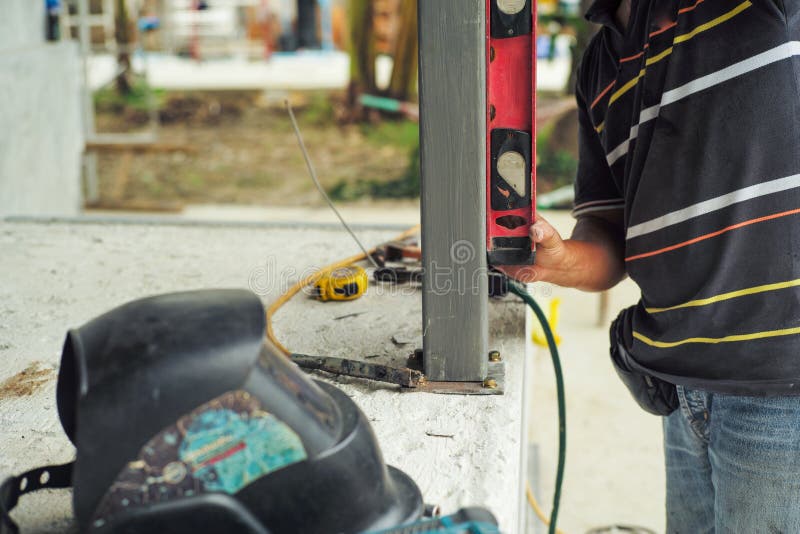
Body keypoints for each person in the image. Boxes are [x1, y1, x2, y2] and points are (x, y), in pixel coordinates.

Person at [502, 0, 800, 530]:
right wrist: (561, 260)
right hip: (680, 386)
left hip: (780, 392)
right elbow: (610, 231)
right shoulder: (598, 64)